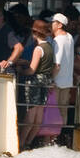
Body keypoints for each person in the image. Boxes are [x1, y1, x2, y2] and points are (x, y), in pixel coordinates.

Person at [18, 18, 56, 150]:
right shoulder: (50, 48)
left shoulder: (38, 49)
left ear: (34, 33)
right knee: (39, 116)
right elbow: (53, 67)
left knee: (30, 115)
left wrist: (22, 71)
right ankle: (29, 142)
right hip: (46, 81)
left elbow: (32, 69)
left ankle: (21, 143)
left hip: (35, 81)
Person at [49, 13, 75, 141]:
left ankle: (53, 137)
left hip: (57, 82)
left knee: (54, 111)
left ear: (59, 25)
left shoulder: (57, 41)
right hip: (68, 81)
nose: (51, 24)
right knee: (63, 111)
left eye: (53, 22)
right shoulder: (70, 37)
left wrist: (51, 79)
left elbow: (57, 65)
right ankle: (60, 137)